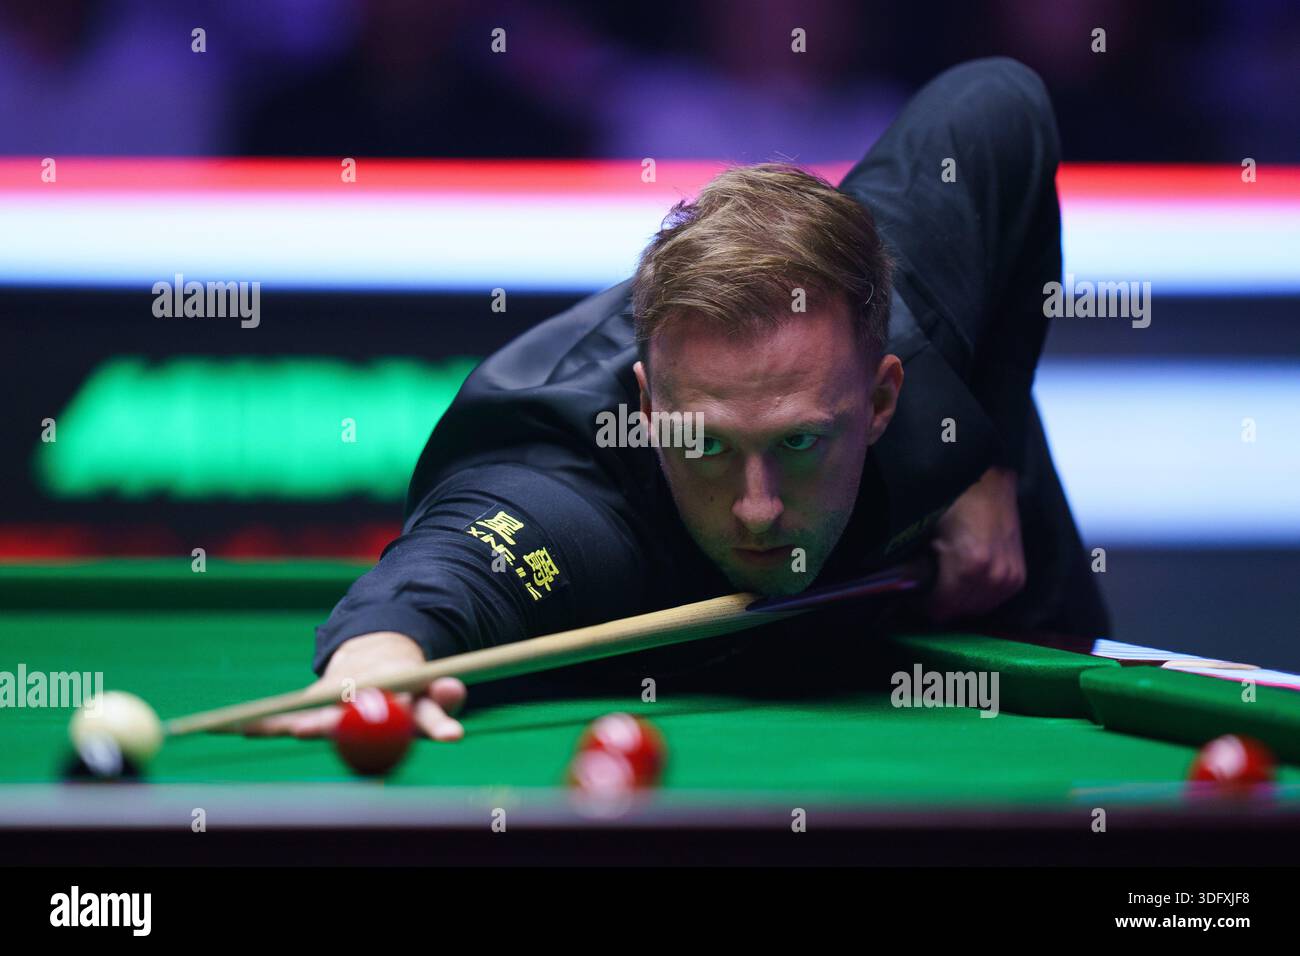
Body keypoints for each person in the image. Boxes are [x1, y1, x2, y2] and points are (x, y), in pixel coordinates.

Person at [248, 57, 1108, 742]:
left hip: (997, 613)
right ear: (647, 408)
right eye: (706, 445)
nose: (758, 510)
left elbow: (1000, 100)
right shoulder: (572, 494)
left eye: (800, 442)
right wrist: (378, 658)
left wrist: (989, 463)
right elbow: (452, 569)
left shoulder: (916, 305)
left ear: (883, 398)